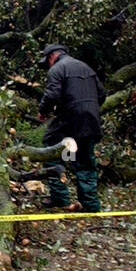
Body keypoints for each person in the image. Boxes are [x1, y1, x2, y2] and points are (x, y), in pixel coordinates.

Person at [36, 43, 105, 212]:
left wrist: (43, 111)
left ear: (52, 56)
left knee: (51, 150)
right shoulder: (86, 67)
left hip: (69, 119)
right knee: (86, 161)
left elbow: (52, 95)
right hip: (90, 121)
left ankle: (60, 198)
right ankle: (90, 205)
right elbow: (102, 94)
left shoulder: (57, 69)